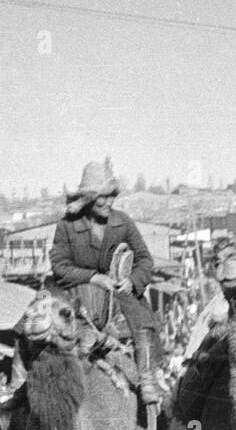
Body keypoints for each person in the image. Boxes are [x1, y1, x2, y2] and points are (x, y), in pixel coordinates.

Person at [49, 158, 163, 401]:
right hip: (77, 295)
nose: (110, 202)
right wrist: (93, 277)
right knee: (32, 322)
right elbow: (58, 266)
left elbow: (145, 260)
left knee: (142, 317)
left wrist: (132, 281)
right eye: (104, 196)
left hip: (117, 298)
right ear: (89, 197)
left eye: (113, 196)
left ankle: (146, 377)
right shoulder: (66, 226)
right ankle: (20, 384)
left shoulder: (122, 222)